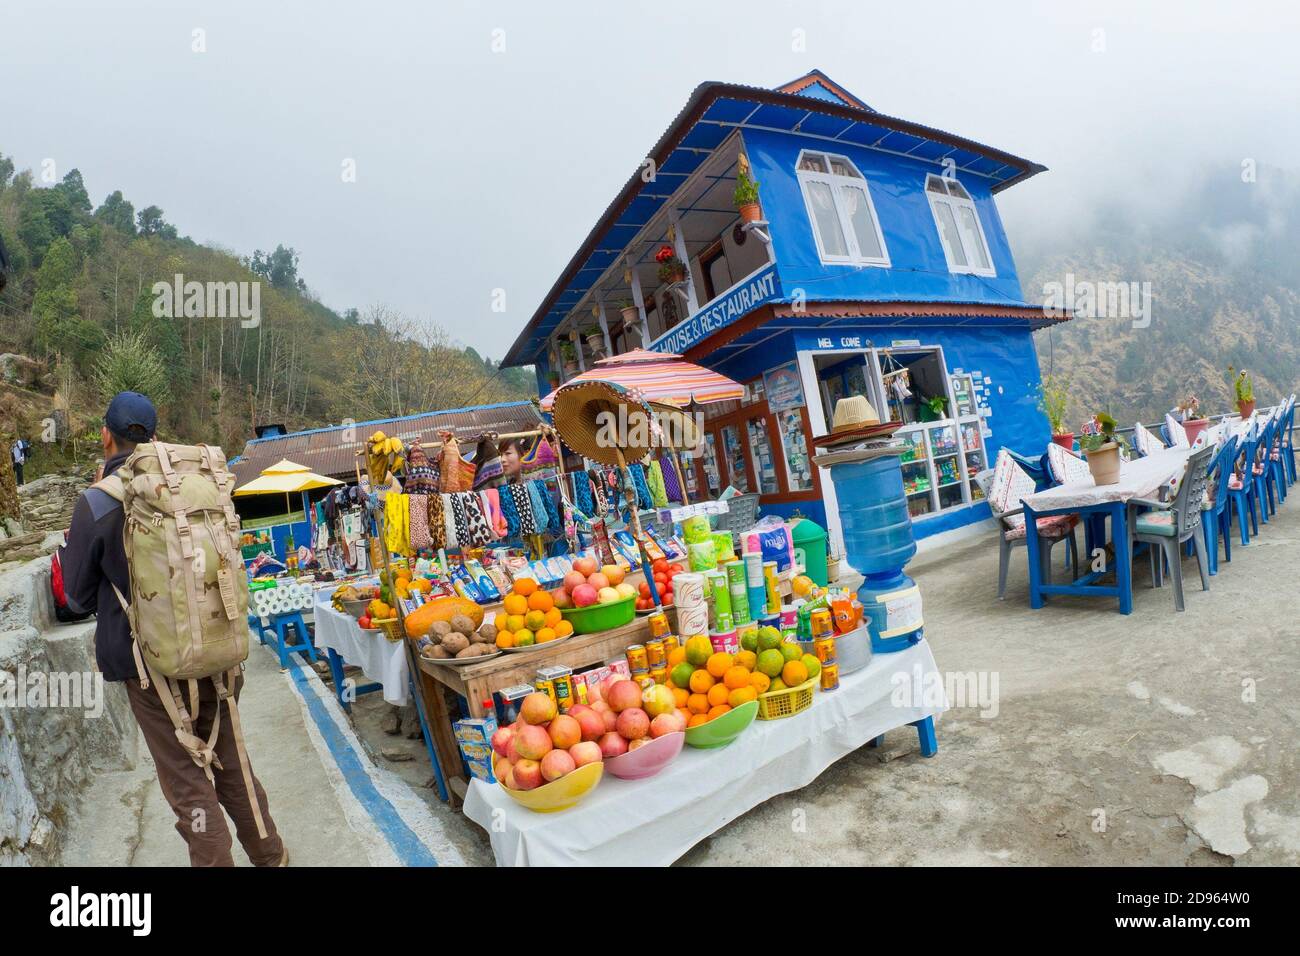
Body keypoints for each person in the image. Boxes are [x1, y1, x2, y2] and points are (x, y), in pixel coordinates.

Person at [59, 392, 287, 867]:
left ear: (106, 436)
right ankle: (272, 856)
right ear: (155, 438)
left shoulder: (98, 502)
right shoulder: (189, 485)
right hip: (216, 649)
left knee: (187, 780)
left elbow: (77, 599)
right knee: (232, 763)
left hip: (150, 669)